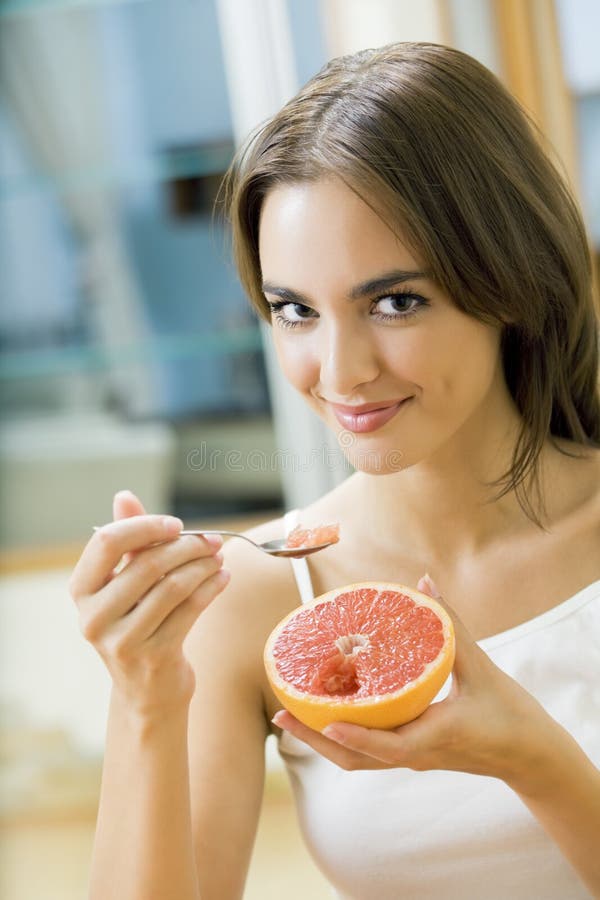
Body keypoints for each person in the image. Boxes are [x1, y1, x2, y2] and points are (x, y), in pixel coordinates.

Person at [69, 42, 600, 899]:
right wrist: (146, 703)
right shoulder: (256, 595)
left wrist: (535, 762)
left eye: (395, 302)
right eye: (295, 311)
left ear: (511, 278)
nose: (341, 370)